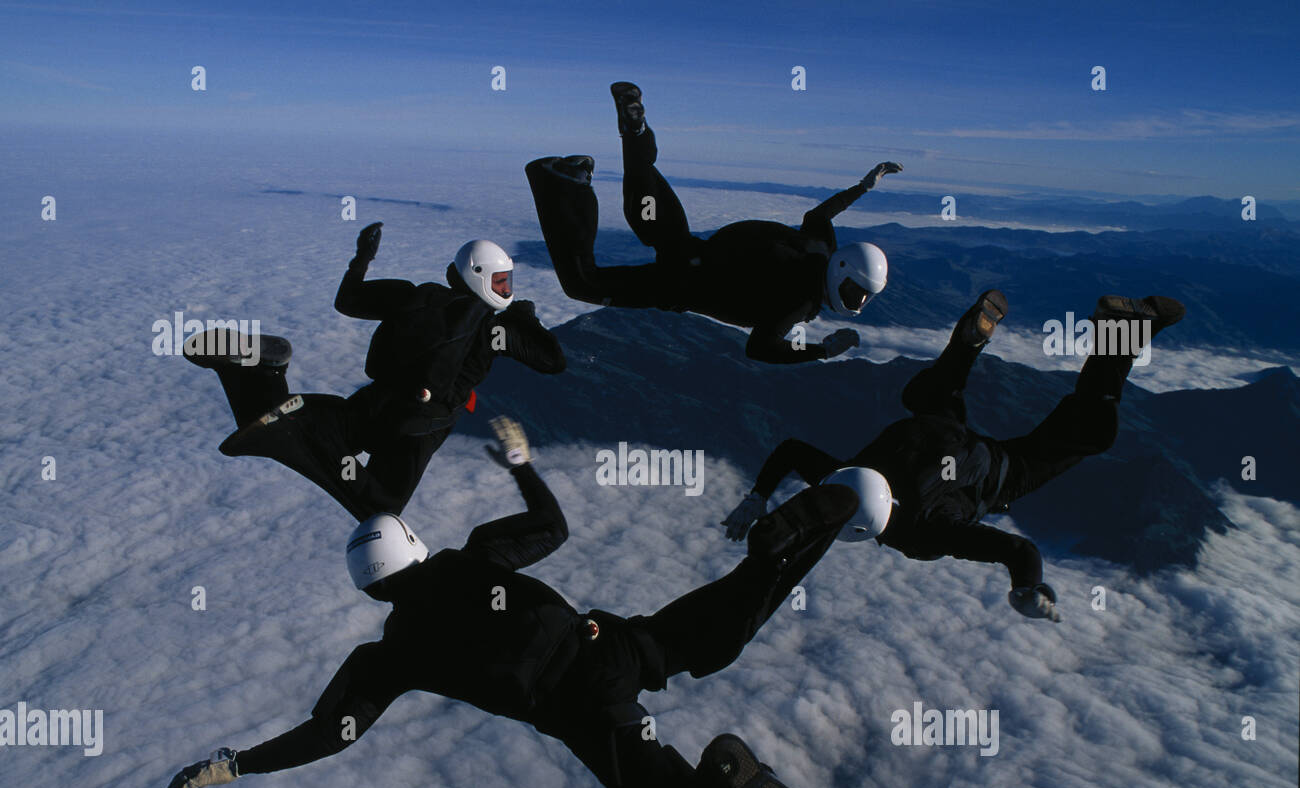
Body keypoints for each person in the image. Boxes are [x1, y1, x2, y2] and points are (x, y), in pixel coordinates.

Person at [167, 417, 859, 788]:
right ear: (414, 544)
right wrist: (522, 464)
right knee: (723, 630)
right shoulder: (474, 556)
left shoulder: (388, 656)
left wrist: (239, 762)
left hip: (583, 705)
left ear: (370, 589)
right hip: (611, 642)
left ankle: (717, 786)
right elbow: (554, 528)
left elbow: (332, 734)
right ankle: (787, 543)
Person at [720, 291, 1186, 621]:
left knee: (1092, 431)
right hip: (931, 433)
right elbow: (792, 450)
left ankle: (1122, 333)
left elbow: (1018, 549)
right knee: (932, 397)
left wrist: (1028, 587)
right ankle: (965, 347)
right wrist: (757, 496)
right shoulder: (843, 477)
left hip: (995, 468)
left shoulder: (923, 533)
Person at [184, 225, 566, 520]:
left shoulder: (413, 295)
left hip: (370, 407)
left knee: (271, 421)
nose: (505, 289)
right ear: (478, 277)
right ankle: (301, 433)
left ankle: (264, 370)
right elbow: (553, 361)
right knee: (378, 508)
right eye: (500, 282)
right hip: (414, 431)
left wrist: (362, 259)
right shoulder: (493, 330)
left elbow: (347, 301)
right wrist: (526, 319)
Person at [525, 81, 902, 365]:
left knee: (645, 196)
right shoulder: (799, 301)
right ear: (842, 272)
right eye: (857, 292)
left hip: (686, 246)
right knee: (581, 283)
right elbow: (760, 348)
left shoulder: (821, 247)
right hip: (676, 284)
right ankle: (567, 181)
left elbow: (818, 216)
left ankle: (632, 134)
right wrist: (821, 351)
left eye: (864, 296)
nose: (858, 302)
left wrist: (862, 188)